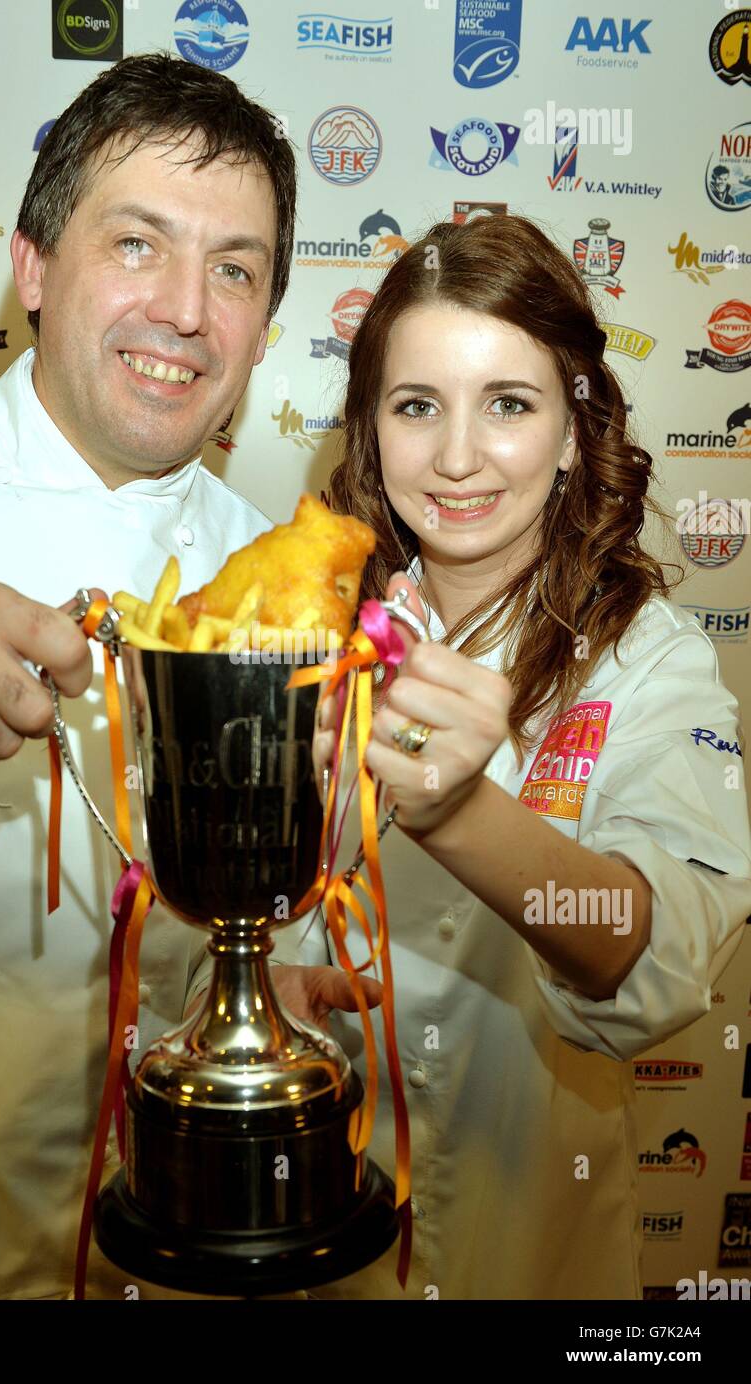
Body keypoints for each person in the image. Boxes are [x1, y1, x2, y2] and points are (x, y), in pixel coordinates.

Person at [0, 51, 364, 1302]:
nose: (186, 310)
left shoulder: (277, 593)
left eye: (236, 270)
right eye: (137, 244)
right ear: (33, 265)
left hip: (117, 1254)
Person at [272, 214, 751, 1299]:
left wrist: (456, 814)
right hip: (311, 1249)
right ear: (369, 430)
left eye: (509, 405)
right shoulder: (295, 637)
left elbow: (658, 954)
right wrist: (265, 987)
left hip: (534, 1255)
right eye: (415, 406)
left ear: (577, 430)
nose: (455, 457)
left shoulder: (647, 662)